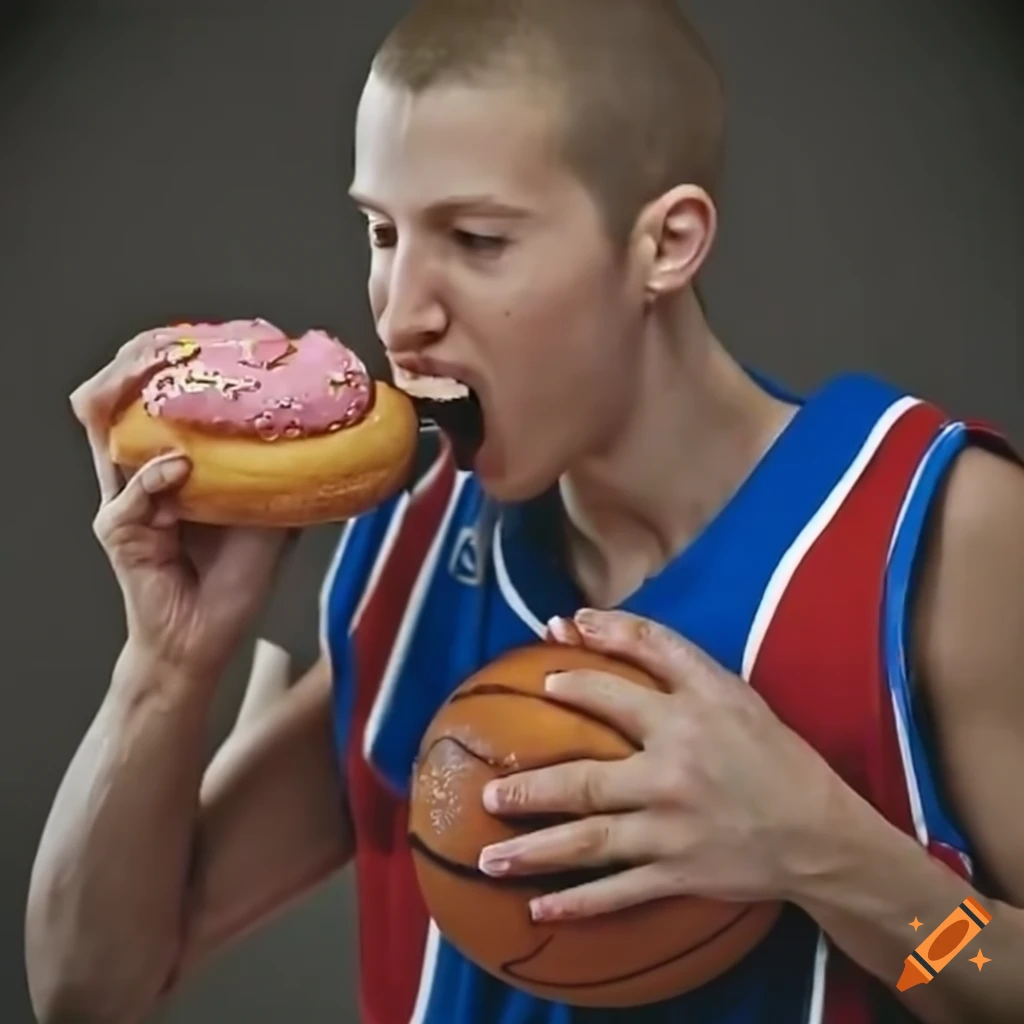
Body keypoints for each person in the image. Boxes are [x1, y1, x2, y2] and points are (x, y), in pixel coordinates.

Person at [25, 1, 1024, 1022]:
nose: (400, 310)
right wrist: (166, 665)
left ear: (665, 245)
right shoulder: (408, 542)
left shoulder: (941, 527)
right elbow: (87, 982)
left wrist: (831, 855)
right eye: (381, 230)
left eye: (475, 238)